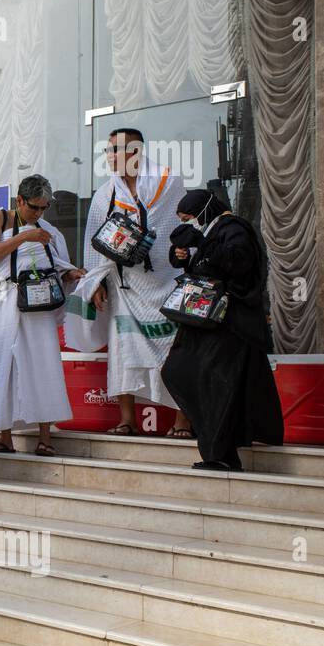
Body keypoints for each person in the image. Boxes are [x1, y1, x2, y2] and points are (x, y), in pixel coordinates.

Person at [71, 128, 191, 437]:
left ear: (135, 151)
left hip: (165, 281)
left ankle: (182, 421)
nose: (110, 156)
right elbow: (93, 241)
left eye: (116, 150)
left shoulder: (169, 182)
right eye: (108, 151)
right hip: (124, 286)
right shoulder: (105, 194)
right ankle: (127, 420)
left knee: (174, 350)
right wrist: (95, 281)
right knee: (123, 352)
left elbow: (180, 228)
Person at [161, 190, 284, 470]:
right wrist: (181, 256)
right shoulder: (215, 230)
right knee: (179, 371)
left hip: (228, 324)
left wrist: (201, 242)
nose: (190, 224)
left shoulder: (234, 227)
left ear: (204, 210)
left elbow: (239, 263)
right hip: (204, 322)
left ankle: (222, 456)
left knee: (217, 388)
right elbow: (208, 267)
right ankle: (216, 448)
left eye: (189, 218)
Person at [0, 175, 84, 456]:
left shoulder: (47, 229)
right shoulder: (0, 218)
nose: (38, 213)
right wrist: (24, 235)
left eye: (43, 208)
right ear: (20, 200)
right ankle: (5, 436)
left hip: (40, 304)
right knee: (6, 364)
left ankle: (45, 437)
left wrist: (70, 273)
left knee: (44, 365)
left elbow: (55, 264)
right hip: (8, 300)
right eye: (34, 208)